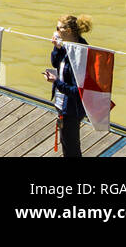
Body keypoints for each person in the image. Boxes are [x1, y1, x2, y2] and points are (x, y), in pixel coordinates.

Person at [44, 14, 93, 158]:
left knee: (71, 149)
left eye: (58, 28)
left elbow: (78, 91)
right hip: (62, 103)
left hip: (72, 108)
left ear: (69, 31)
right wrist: (57, 48)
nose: (56, 32)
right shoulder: (67, 46)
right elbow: (55, 63)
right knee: (66, 143)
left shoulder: (80, 53)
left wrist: (56, 82)